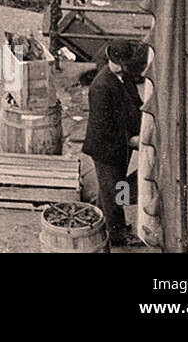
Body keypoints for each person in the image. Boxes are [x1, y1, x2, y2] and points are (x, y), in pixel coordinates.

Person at [82, 41, 144, 247]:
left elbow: (135, 103)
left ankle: (102, 221)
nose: (122, 66)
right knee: (116, 191)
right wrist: (130, 139)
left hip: (118, 148)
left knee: (110, 190)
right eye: (119, 63)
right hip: (105, 148)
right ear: (110, 60)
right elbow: (104, 127)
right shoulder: (101, 86)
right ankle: (117, 236)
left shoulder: (123, 78)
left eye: (124, 63)